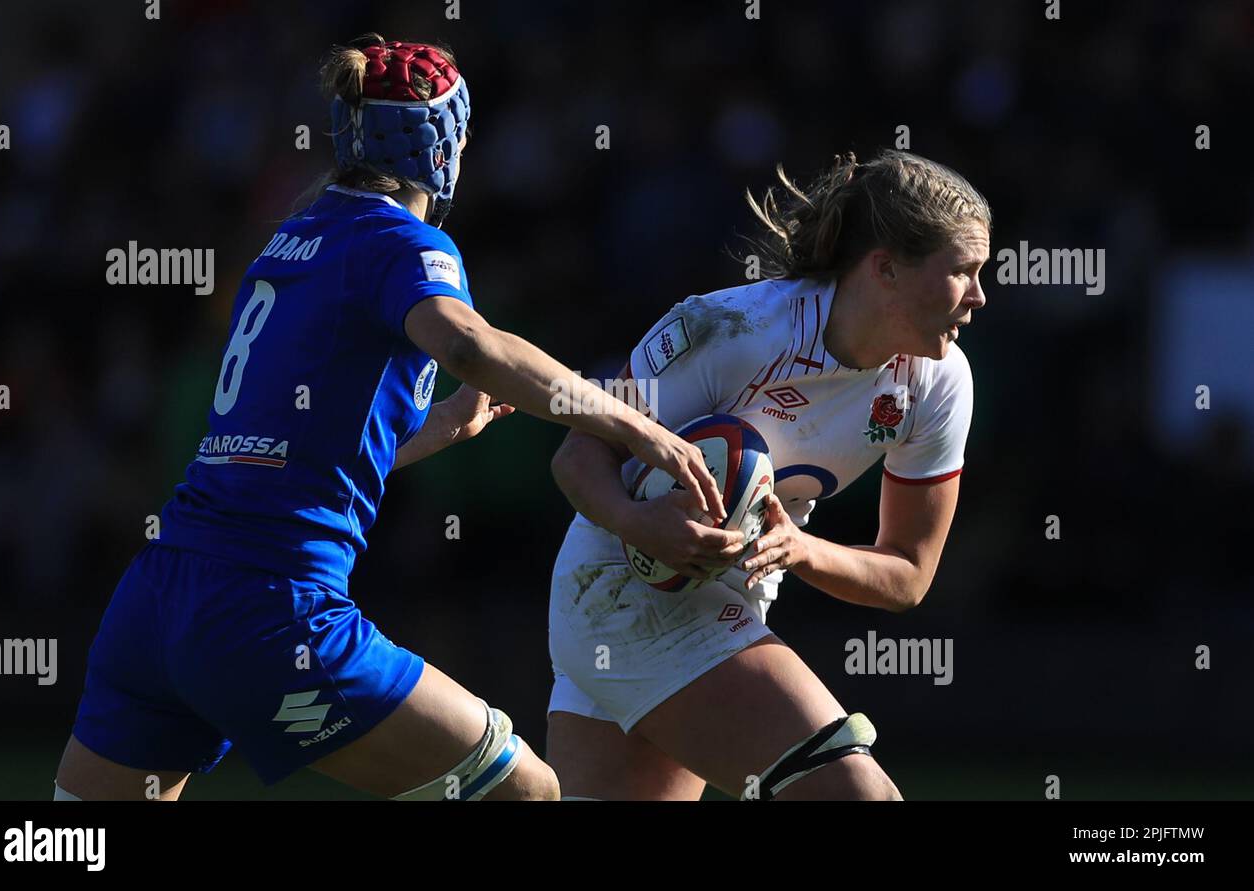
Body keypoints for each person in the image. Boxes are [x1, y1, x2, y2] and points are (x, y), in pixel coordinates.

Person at [54, 34, 722, 802]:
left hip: (154, 603)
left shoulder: (286, 239)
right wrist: (637, 426)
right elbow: (469, 343)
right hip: (272, 609)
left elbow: (282, 449)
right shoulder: (402, 242)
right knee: (529, 792)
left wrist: (437, 428)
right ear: (440, 147)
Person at [546, 149, 990, 800]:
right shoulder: (729, 329)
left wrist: (799, 548)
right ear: (886, 267)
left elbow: (907, 574)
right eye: (964, 272)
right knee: (860, 797)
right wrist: (643, 522)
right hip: (620, 591)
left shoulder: (939, 382)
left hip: (727, 600)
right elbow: (579, 456)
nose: (980, 295)